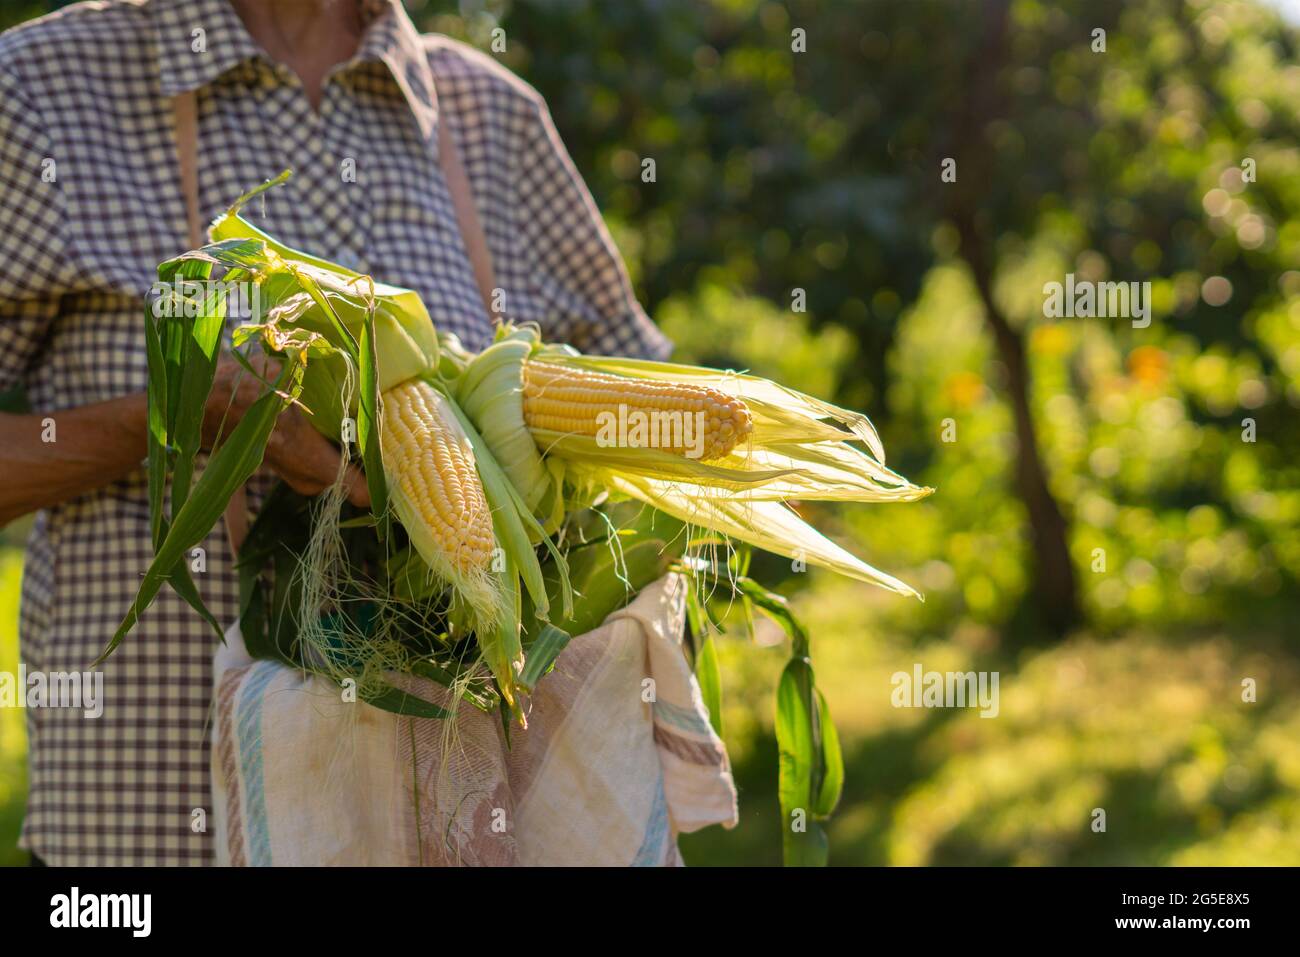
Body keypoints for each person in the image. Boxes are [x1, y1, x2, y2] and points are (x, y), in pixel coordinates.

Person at [0, 0, 670, 865]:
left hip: (460, 822)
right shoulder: (40, 88)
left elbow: (633, 440)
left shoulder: (493, 117)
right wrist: (186, 414)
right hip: (155, 831)